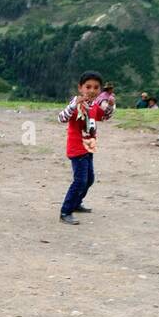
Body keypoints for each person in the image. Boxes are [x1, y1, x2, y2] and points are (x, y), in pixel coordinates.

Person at [56, 72, 106, 225]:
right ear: (80, 88)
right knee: (80, 181)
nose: (92, 90)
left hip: (89, 147)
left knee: (89, 179)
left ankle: (76, 203)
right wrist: (73, 105)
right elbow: (61, 118)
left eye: (96, 87)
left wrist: (110, 106)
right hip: (77, 149)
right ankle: (66, 211)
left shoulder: (94, 105)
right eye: (88, 87)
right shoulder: (76, 103)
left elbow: (103, 116)